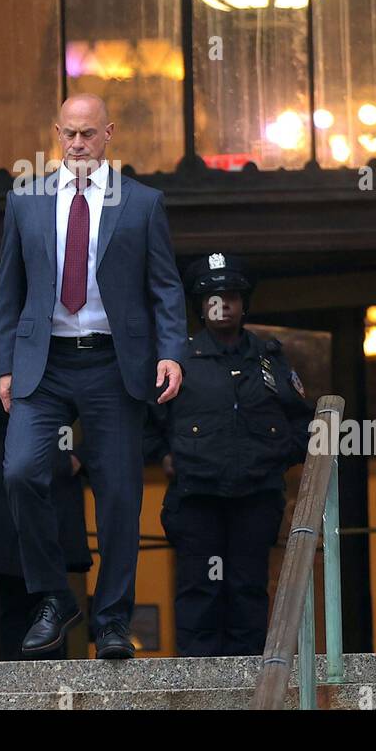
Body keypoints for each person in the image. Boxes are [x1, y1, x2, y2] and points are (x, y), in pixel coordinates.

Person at [0, 93, 186, 659]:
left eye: (88, 134)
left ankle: (110, 620)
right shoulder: (25, 200)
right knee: (22, 471)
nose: (77, 144)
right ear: (57, 133)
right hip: (44, 362)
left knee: (121, 494)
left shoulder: (143, 203)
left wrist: (170, 350)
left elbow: (165, 285)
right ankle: (55, 597)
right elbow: (8, 289)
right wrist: (5, 364)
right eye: (68, 134)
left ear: (109, 135)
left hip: (113, 362)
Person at [145, 253, 312, 657]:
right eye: (212, 297)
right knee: (199, 589)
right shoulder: (177, 359)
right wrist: (164, 455)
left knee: (247, 587)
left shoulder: (269, 358)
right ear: (200, 307)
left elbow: (301, 422)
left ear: (244, 303)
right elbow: (146, 421)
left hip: (255, 497)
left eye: (231, 296)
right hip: (197, 497)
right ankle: (199, 684)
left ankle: (247, 680)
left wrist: (274, 459)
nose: (222, 304)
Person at [0, 340, 92, 660]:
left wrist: (77, 458)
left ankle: (56, 692)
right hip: (3, 492)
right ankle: (16, 694)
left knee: (54, 597)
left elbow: (103, 411)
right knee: (11, 598)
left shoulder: (65, 349)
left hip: (52, 485)